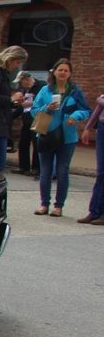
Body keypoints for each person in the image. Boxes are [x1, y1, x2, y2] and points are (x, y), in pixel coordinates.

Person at [29, 58, 90, 217]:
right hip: (46, 134)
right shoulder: (45, 90)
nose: (63, 73)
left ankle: (58, 206)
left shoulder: (75, 91)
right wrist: (47, 108)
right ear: (54, 72)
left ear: (70, 74)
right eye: (60, 70)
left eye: (66, 70)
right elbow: (34, 111)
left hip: (67, 137)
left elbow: (85, 110)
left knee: (62, 171)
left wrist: (75, 116)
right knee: (45, 172)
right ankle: (44, 204)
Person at [76, 92, 104, 225]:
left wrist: (101, 100)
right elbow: (99, 108)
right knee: (101, 173)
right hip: (102, 130)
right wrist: (87, 128)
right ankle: (94, 212)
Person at [13, 70, 45, 175]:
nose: (19, 84)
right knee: (23, 143)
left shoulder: (41, 86)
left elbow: (44, 100)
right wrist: (11, 116)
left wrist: (32, 103)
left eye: (21, 81)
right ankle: (23, 166)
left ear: (27, 79)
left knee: (36, 144)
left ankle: (36, 168)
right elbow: (22, 106)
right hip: (27, 120)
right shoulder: (24, 90)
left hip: (37, 119)